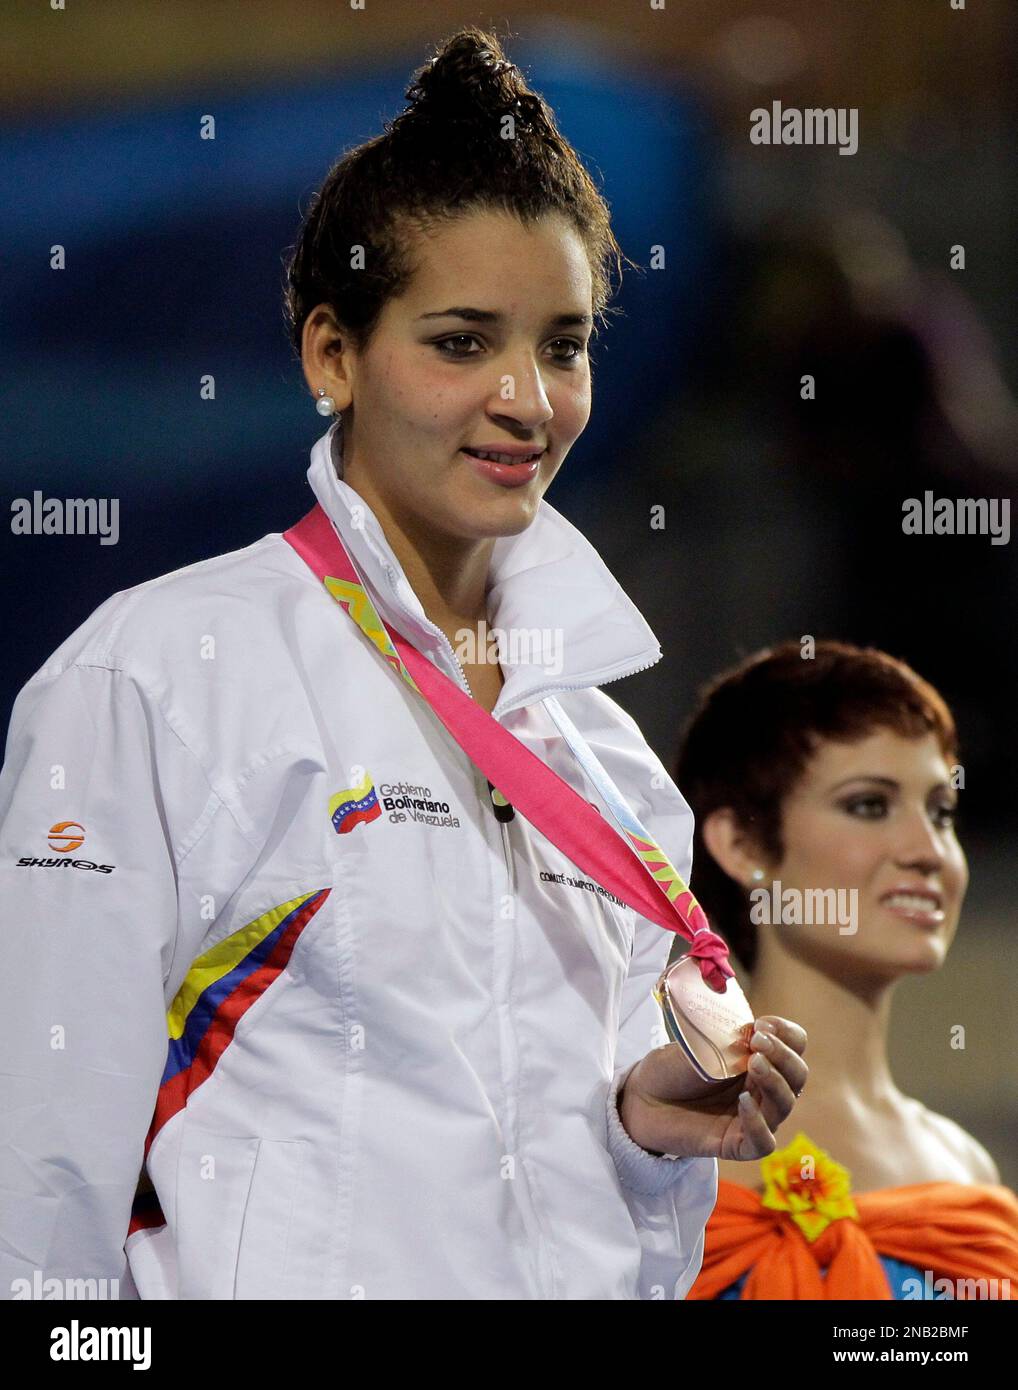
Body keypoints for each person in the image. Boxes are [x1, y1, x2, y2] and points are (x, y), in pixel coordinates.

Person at [0, 27, 806, 1302]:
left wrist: (644, 1123)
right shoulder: (153, 678)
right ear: (333, 355)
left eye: (563, 344)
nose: (526, 399)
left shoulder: (605, 762)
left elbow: (558, 1194)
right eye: (460, 341)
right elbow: (39, 1182)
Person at [672, 640, 1018, 1299]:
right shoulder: (664, 1139)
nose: (929, 851)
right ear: (742, 843)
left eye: (941, 813)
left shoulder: (967, 1169)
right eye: (869, 805)